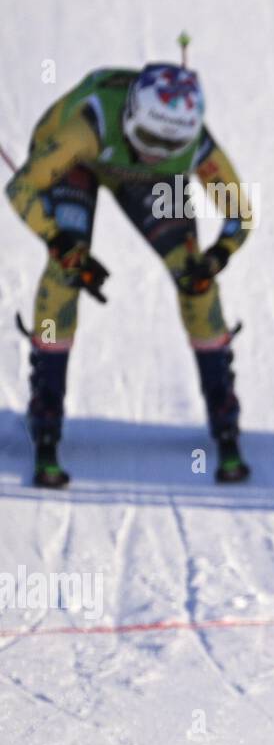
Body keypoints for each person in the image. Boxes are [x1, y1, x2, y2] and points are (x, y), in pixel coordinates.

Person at [5, 62, 254, 487]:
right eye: (152, 138)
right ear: (132, 116)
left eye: (172, 143)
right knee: (66, 270)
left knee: (195, 279)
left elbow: (239, 215)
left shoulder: (193, 147)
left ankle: (223, 413)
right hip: (79, 161)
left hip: (150, 181)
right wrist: (60, 242)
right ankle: (46, 413)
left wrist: (215, 258)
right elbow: (21, 188)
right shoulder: (87, 126)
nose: (158, 150)